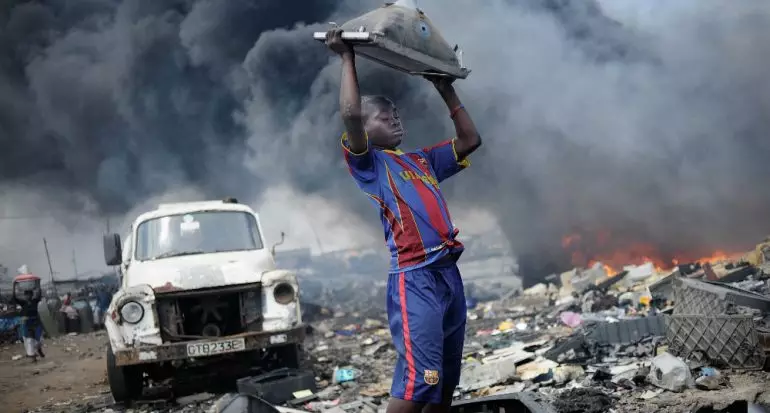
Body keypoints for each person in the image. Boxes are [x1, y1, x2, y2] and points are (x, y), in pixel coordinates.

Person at [325, 29, 482, 413]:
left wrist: (445, 89)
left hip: (448, 276)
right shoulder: (369, 164)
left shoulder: (421, 161)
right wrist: (347, 57)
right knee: (418, 383)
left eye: (396, 114)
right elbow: (349, 112)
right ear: (364, 125)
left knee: (443, 384)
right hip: (416, 280)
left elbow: (470, 140)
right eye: (384, 115)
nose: (395, 120)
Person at [12, 289, 44, 361]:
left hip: (35, 322)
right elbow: (14, 298)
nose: (27, 296)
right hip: (26, 323)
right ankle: (32, 356)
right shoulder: (23, 303)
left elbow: (39, 295)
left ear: (32, 295)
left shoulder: (35, 301)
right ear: (24, 296)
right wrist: (14, 288)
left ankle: (39, 349)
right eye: (26, 295)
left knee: (40, 339)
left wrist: (38, 286)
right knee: (29, 339)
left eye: (29, 295)